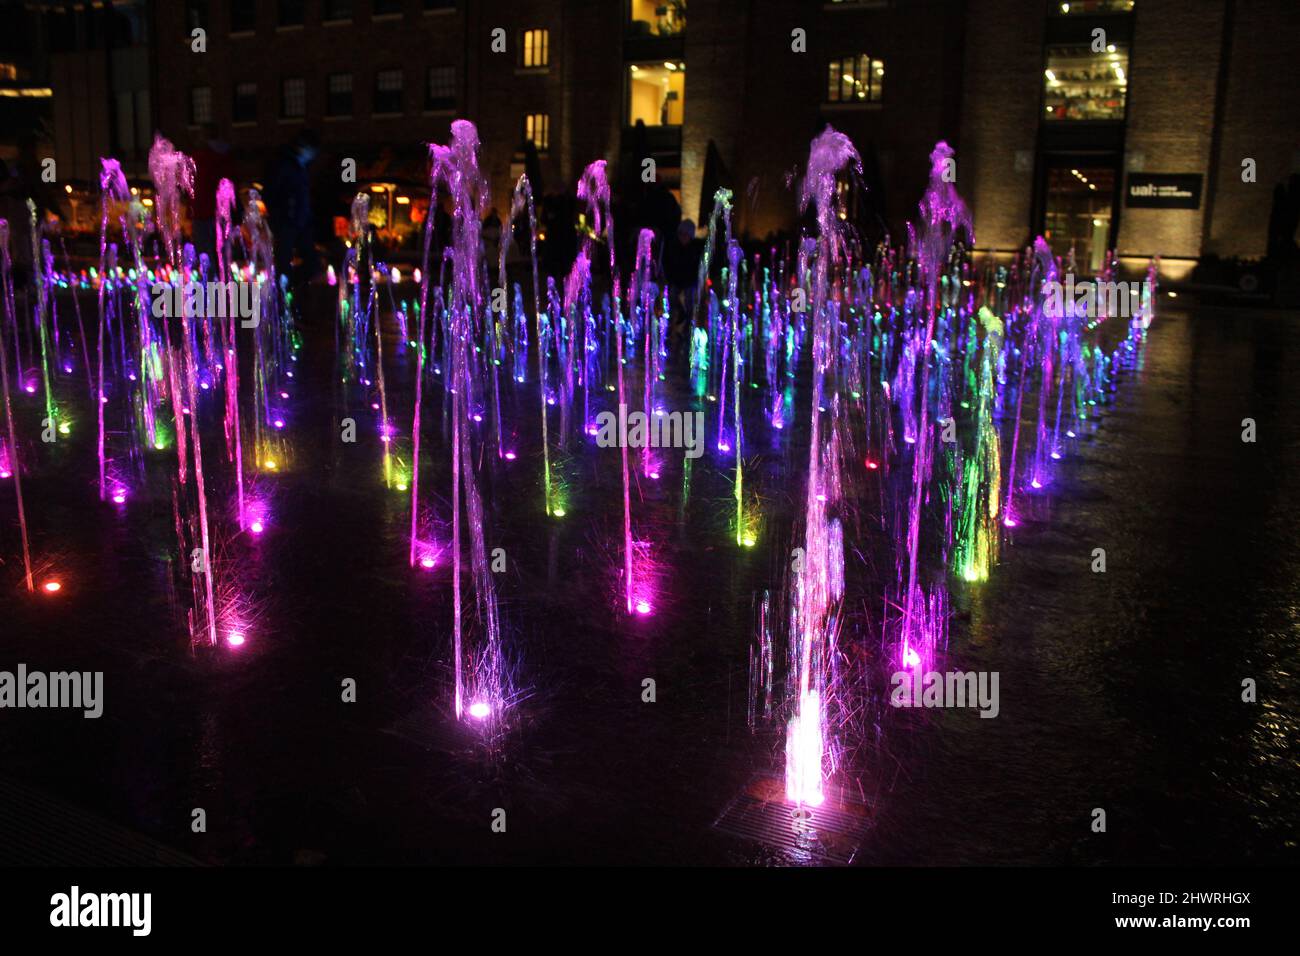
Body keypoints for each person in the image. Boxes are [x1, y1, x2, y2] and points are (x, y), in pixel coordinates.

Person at [264, 129, 321, 291]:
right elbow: (272, 193)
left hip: (300, 221)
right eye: (312, 151)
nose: (314, 155)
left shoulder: (300, 166)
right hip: (287, 220)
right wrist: (280, 216)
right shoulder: (285, 165)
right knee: (284, 260)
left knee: (311, 263)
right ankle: (284, 293)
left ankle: (289, 287)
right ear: (304, 147)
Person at [190, 125, 238, 273]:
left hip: (202, 214)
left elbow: (193, 186)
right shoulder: (227, 156)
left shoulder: (199, 157)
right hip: (222, 215)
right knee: (222, 256)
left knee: (205, 257)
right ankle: (224, 290)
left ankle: (212, 291)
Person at [662, 218, 702, 355]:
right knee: (673, 303)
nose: (683, 237)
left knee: (689, 304)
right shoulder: (673, 247)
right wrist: (669, 279)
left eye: (686, 235)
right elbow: (667, 264)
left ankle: (686, 330)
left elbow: (696, 269)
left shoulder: (694, 250)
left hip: (688, 282)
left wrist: (694, 282)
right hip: (675, 281)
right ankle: (673, 328)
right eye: (681, 234)